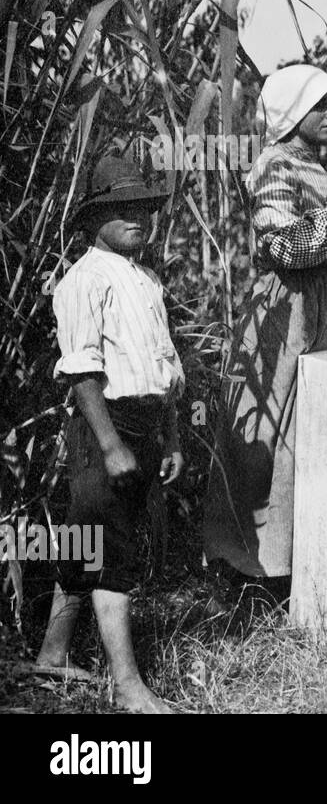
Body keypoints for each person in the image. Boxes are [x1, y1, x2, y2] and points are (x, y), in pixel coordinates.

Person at [29, 156, 183, 713]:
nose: (136, 216)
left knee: (88, 537)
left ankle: (53, 653)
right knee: (107, 548)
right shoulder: (85, 279)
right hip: (104, 425)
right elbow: (83, 371)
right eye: (121, 208)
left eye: (143, 206)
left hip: (143, 421)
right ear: (96, 219)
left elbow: (163, 367)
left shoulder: (147, 280)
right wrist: (112, 444)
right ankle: (127, 684)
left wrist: (169, 438)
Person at [204, 64, 327, 589]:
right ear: (292, 113)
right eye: (321, 106)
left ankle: (292, 566)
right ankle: (249, 569)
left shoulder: (311, 163)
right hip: (281, 312)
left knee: (306, 431)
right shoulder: (272, 164)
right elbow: (284, 246)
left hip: (315, 307)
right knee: (267, 433)